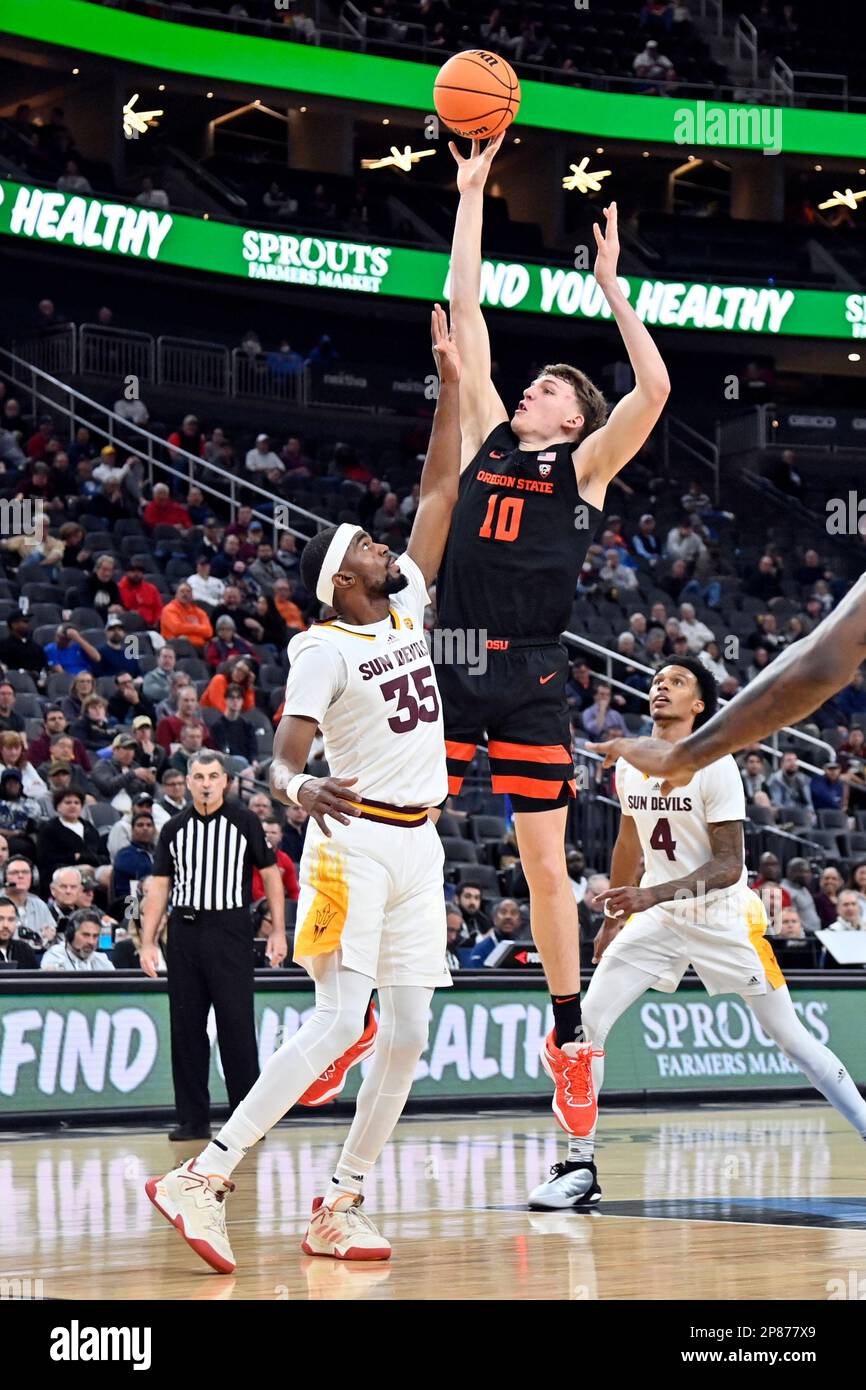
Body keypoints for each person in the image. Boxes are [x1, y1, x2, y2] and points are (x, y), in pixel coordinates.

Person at [144, 305, 461, 1270]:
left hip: (421, 842)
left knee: (408, 1033)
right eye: (366, 544)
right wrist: (295, 788)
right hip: (351, 838)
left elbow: (440, 486)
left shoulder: (401, 609)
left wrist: (449, 385)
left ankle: (341, 1201)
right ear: (341, 579)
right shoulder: (321, 645)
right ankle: (205, 1173)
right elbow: (281, 749)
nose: (381, 545)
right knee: (338, 1018)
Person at [440, 136, 670, 1156]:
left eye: (544, 389)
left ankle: (570, 1039)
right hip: (446, 655)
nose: (525, 391)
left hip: (531, 665)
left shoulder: (582, 465)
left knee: (543, 867)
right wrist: (472, 190)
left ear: (573, 414)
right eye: (525, 386)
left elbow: (653, 391)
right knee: (390, 829)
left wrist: (612, 289)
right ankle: (353, 1004)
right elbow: (470, 307)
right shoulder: (487, 433)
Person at [530, 657, 866, 1209]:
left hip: (722, 915)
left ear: (700, 706)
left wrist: (648, 895)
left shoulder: (717, 765)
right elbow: (628, 842)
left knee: (791, 1039)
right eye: (658, 680)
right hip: (658, 919)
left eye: (677, 682)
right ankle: (579, 1166)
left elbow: (729, 866)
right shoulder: (629, 763)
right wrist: (618, 913)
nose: (662, 686)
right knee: (583, 1027)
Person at [137, 751, 285, 1147]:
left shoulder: (245, 821)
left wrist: (278, 932)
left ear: (226, 781)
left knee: (237, 1027)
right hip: (184, 932)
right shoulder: (172, 828)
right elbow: (159, 887)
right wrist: (148, 941)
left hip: (230, 930)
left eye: (213, 776)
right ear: (188, 782)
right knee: (186, 1029)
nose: (205, 783)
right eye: (199, 776)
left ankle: (247, 1121)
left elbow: (271, 876)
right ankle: (192, 1120)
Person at [40, 908, 115, 971]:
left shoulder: (102, 960)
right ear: (70, 934)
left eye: (95, 936)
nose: (91, 942)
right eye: (86, 935)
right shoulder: (54, 957)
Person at [0, 895, 39, 968]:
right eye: (0, 919)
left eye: (11, 919)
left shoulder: (25, 950)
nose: (5, 925)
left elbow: (35, 978)